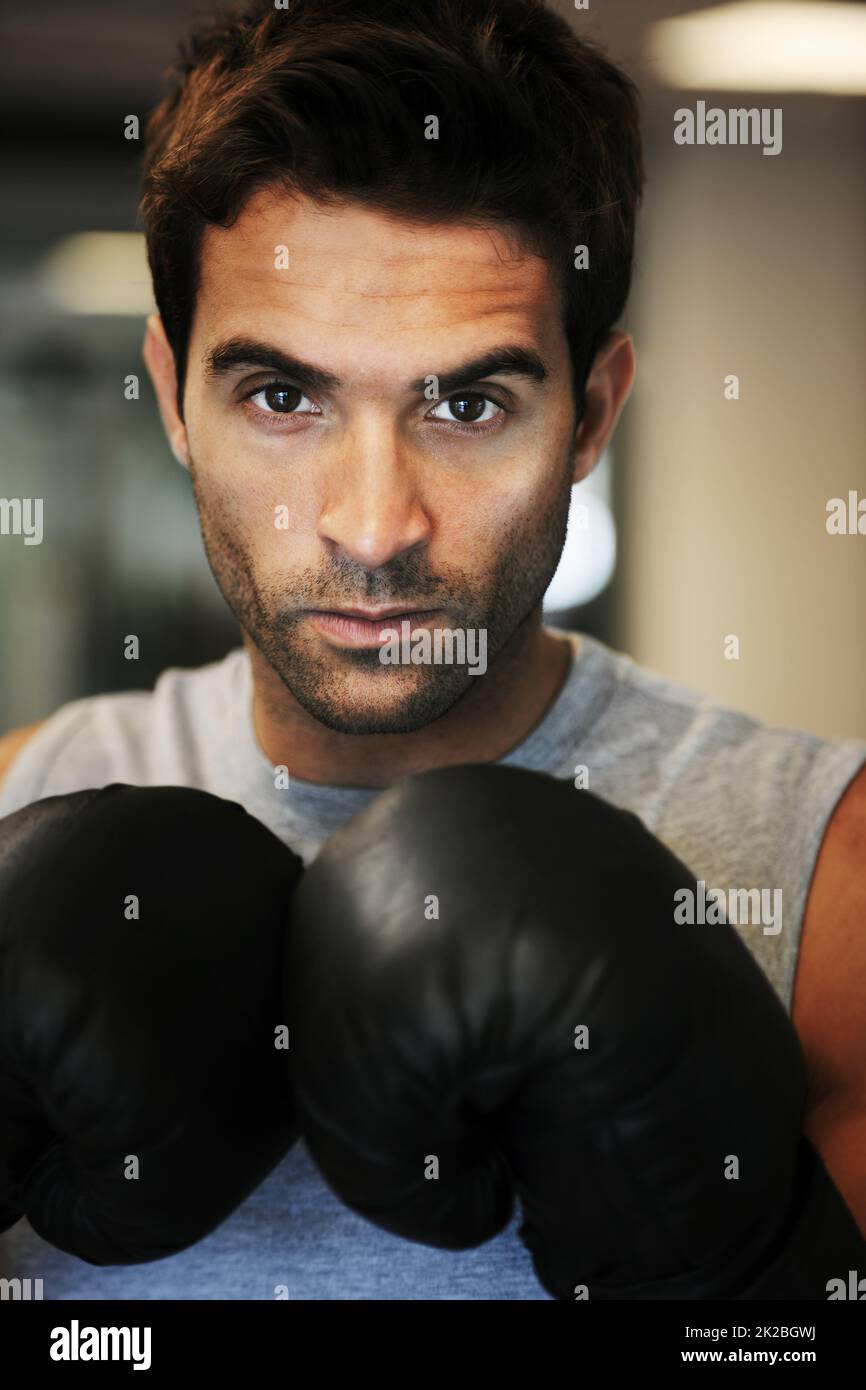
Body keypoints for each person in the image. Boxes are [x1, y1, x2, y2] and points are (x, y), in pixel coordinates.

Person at [0, 0, 864, 1300]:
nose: (372, 526)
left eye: (466, 403)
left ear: (591, 415)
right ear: (173, 396)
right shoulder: (7, 813)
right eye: (281, 396)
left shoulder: (827, 881)